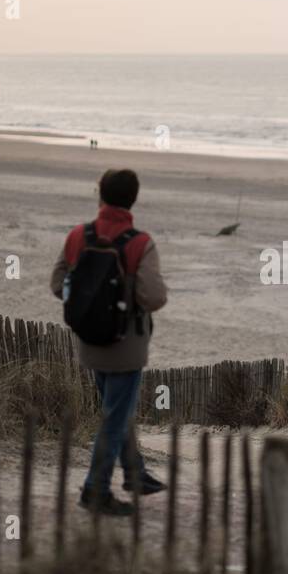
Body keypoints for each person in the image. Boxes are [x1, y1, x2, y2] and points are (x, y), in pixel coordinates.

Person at [50, 168, 168, 516]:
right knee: (114, 417)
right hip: (126, 344)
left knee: (117, 410)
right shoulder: (140, 243)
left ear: (100, 194)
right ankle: (95, 489)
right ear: (134, 199)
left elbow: (58, 284)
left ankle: (135, 473)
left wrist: (89, 300)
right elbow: (154, 298)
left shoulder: (78, 235)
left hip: (88, 341)